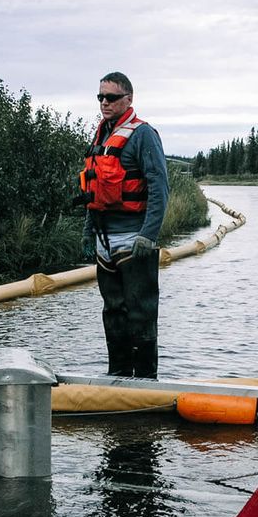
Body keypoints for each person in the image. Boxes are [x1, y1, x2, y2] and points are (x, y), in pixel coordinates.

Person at [80, 72, 168, 379]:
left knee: (141, 314)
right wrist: (88, 232)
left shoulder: (143, 135)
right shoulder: (101, 137)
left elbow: (159, 188)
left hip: (134, 241)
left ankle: (145, 382)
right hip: (104, 242)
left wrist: (148, 235)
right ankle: (117, 378)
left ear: (128, 99)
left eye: (111, 97)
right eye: (100, 97)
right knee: (113, 312)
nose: (104, 103)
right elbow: (94, 192)